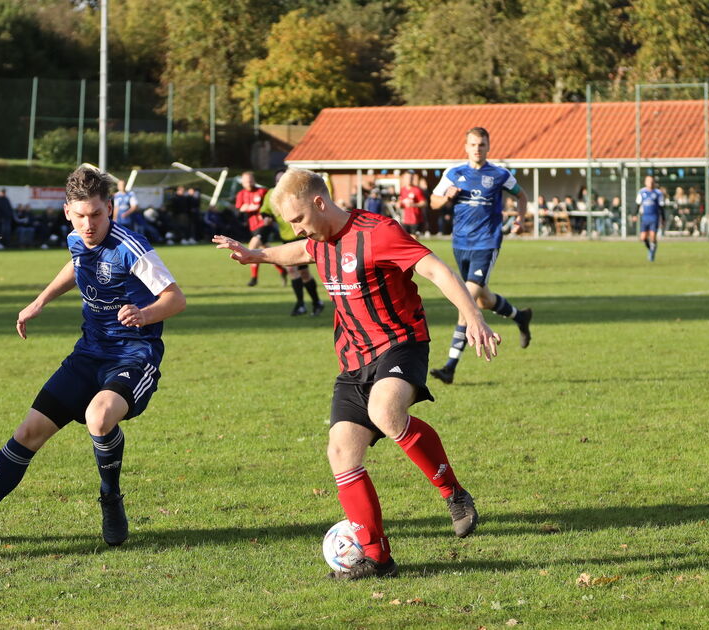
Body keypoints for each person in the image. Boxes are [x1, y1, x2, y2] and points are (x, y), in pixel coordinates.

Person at [213, 168, 498, 580]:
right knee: (341, 453)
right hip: (353, 359)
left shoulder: (378, 232)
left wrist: (472, 317)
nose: (296, 230)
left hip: (402, 343)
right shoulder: (317, 240)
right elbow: (298, 253)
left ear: (319, 202)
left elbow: (434, 269)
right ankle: (377, 557)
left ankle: (453, 493)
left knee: (386, 412)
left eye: (298, 220)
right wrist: (255, 254)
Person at [0, 165, 186, 546]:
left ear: (110, 207)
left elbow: (176, 298)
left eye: (96, 214)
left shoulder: (132, 248)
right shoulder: (77, 239)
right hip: (87, 355)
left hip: (133, 355)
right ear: (67, 212)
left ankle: (110, 499)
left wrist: (144, 314)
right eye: (80, 216)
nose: (89, 224)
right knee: (28, 432)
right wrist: (39, 301)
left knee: (99, 417)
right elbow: (76, 264)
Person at [427, 127, 532, 386]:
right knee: (483, 299)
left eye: (482, 144)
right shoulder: (453, 174)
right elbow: (433, 202)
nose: (477, 149)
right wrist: (446, 198)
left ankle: (450, 366)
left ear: (488, 146)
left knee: (467, 300)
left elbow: (521, 195)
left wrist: (519, 219)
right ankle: (520, 317)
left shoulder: (499, 174)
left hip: (487, 243)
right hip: (460, 244)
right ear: (466, 147)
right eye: (473, 144)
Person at [261, 169, 325, 316]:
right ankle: (301, 304)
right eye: (278, 181)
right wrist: (266, 219)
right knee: (292, 271)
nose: (280, 184)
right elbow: (265, 211)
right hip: (285, 237)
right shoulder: (270, 195)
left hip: (301, 235)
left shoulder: (295, 195)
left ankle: (316, 302)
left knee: (303, 273)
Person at [235, 171, 283, 286]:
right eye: (246, 181)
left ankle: (254, 278)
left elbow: (271, 206)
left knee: (252, 247)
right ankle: (282, 270)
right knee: (266, 252)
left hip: (264, 225)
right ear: (242, 182)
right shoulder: (241, 194)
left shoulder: (262, 191)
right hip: (253, 226)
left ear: (254, 180)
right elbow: (238, 210)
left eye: (250, 180)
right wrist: (244, 208)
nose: (249, 183)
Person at [637, 175, 663, 261]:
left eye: (652, 181)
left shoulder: (658, 193)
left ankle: (652, 253)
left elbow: (661, 207)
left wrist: (663, 218)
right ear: (645, 182)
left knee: (652, 236)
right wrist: (635, 215)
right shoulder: (642, 192)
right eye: (649, 181)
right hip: (645, 217)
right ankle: (651, 249)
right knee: (643, 237)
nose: (650, 183)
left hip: (654, 217)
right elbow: (637, 204)